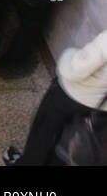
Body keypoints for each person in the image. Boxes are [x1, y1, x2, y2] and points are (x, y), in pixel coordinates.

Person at [7, 28, 107, 166]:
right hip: (96, 105)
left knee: (43, 133)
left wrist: (68, 55)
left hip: (71, 95)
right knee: (64, 140)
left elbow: (76, 68)